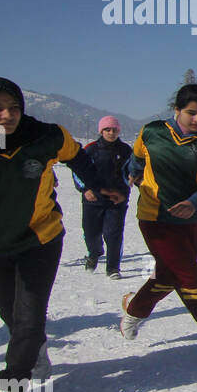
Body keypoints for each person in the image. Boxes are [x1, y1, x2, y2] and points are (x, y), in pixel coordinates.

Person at [0, 77, 116, 392]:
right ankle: (35, 352)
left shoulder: (45, 137)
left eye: (13, 108)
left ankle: (10, 389)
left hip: (39, 240)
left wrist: (99, 185)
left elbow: (78, 158)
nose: (6, 115)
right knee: (12, 314)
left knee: (29, 314)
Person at [119, 84, 197, 356]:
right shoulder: (152, 132)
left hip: (194, 220)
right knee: (190, 276)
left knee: (170, 275)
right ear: (176, 110)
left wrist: (194, 203)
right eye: (191, 112)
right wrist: (132, 173)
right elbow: (137, 158)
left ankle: (134, 309)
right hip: (155, 218)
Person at [73, 116, 133, 277]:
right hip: (92, 200)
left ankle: (113, 268)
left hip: (117, 200)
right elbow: (77, 170)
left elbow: (134, 169)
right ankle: (94, 253)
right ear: (101, 131)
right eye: (107, 129)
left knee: (113, 233)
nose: (111, 133)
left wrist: (133, 180)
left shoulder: (126, 150)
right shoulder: (91, 149)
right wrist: (85, 189)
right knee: (91, 233)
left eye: (114, 130)